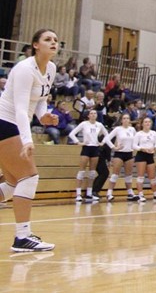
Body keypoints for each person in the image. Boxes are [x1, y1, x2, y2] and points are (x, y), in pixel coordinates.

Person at [0, 29, 58, 251]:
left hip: (13, 123)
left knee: (12, 184)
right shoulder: (24, 69)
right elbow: (21, 109)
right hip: (5, 122)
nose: (53, 43)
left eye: (54, 40)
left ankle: (23, 236)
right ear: (35, 45)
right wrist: (27, 140)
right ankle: (22, 237)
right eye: (47, 39)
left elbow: (40, 100)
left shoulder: (50, 68)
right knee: (29, 177)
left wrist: (44, 115)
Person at [68, 108, 108, 202]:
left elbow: (107, 135)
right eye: (91, 113)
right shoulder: (84, 124)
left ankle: (89, 193)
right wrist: (78, 142)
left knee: (92, 172)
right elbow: (72, 134)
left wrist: (102, 142)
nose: (93, 114)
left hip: (95, 148)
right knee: (82, 171)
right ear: (88, 115)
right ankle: (78, 194)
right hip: (86, 148)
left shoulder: (99, 125)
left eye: (95, 113)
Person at [103, 113, 138, 201]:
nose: (126, 120)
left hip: (129, 153)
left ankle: (130, 193)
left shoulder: (132, 129)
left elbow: (135, 141)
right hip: (119, 153)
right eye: (124, 118)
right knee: (115, 174)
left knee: (129, 175)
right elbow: (107, 139)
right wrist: (114, 147)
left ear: (129, 120)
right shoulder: (118, 129)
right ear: (121, 120)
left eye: (127, 118)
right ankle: (109, 193)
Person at [133, 117, 156, 202]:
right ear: (142, 124)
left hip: (150, 155)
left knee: (153, 177)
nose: (147, 123)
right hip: (141, 155)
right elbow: (134, 145)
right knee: (141, 176)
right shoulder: (139, 134)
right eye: (145, 122)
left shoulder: (154, 133)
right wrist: (142, 148)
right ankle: (140, 195)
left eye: (149, 122)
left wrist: (154, 148)